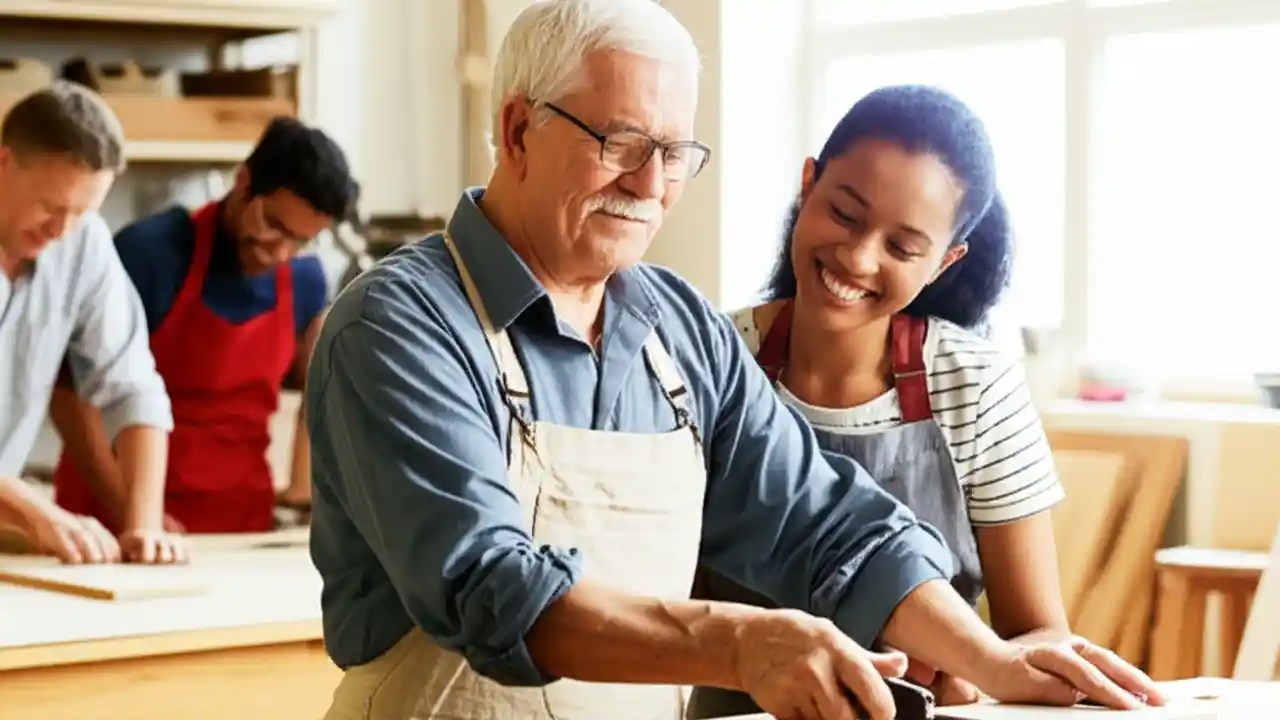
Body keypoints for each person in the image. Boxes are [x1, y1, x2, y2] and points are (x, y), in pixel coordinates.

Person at [306, 3, 1163, 719]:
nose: (651, 186)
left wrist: (995, 659)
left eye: (674, 153)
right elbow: (490, 585)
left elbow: (825, 522)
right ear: (518, 130)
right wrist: (740, 643)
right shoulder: (398, 328)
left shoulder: (681, 331)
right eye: (619, 141)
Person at [686, 84, 1139, 717]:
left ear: (945, 262)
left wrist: (975, 676)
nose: (858, 256)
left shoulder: (976, 385)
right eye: (844, 213)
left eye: (902, 247)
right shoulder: (707, 358)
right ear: (807, 183)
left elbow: (1034, 631)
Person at [49, 116, 356, 535]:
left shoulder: (305, 281)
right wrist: (135, 516)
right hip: (112, 523)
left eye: (300, 241)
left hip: (239, 525)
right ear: (244, 182)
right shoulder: (149, 256)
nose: (280, 252)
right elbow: (68, 397)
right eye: (274, 227)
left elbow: (321, 388)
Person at [0, 81, 181, 564]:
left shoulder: (83, 243)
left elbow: (133, 389)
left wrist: (143, 527)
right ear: (2, 164)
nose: (61, 229)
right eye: (50, 206)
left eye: (81, 212)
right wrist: (35, 509)